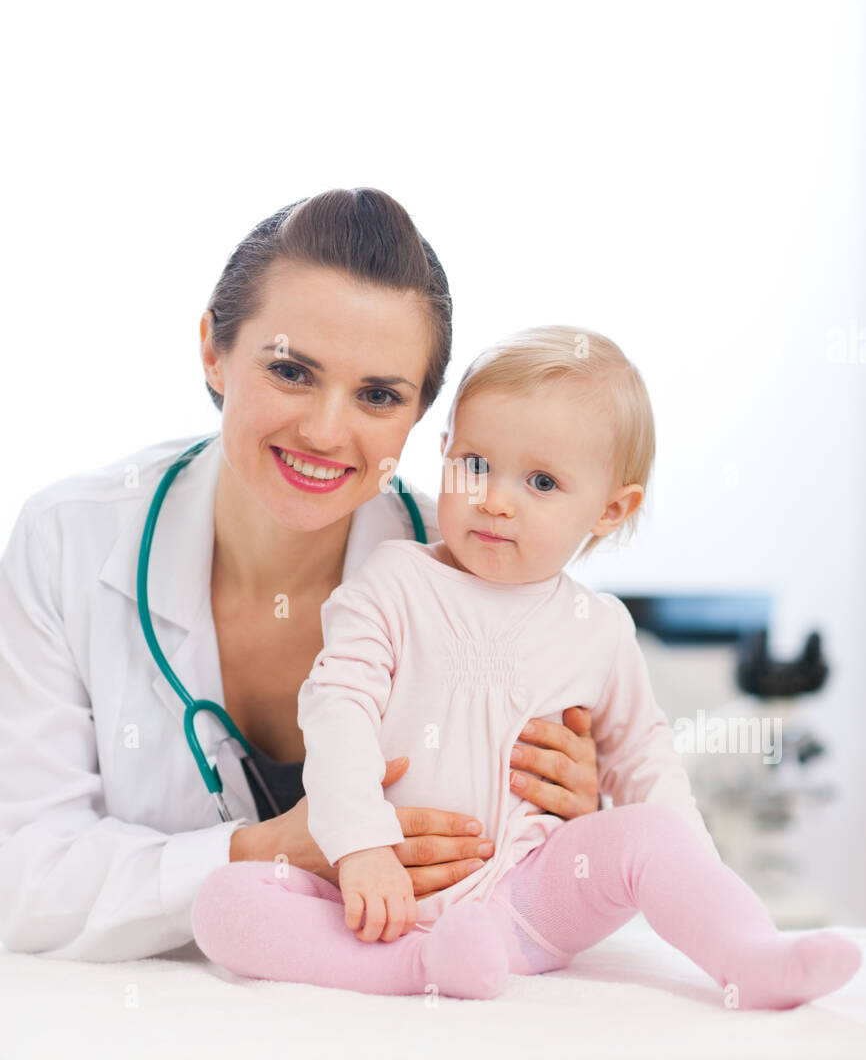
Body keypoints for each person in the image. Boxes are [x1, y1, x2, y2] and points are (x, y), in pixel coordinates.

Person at [0, 190, 598, 961]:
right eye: (290, 370)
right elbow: (19, 880)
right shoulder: (68, 541)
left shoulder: (494, 573)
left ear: (421, 415)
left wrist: (574, 817)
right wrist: (258, 852)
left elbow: (530, 879)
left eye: (379, 395)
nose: (324, 431)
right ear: (214, 350)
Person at [191, 325, 862, 1009]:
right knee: (225, 904)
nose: (496, 499)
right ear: (445, 452)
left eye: (541, 481)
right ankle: (420, 963)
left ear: (610, 509)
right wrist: (360, 846)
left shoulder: (598, 628)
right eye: (475, 465)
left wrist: (697, 885)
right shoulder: (391, 583)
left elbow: (643, 763)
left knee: (653, 834)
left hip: (530, 899)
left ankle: (747, 954)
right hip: (376, 894)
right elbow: (338, 709)